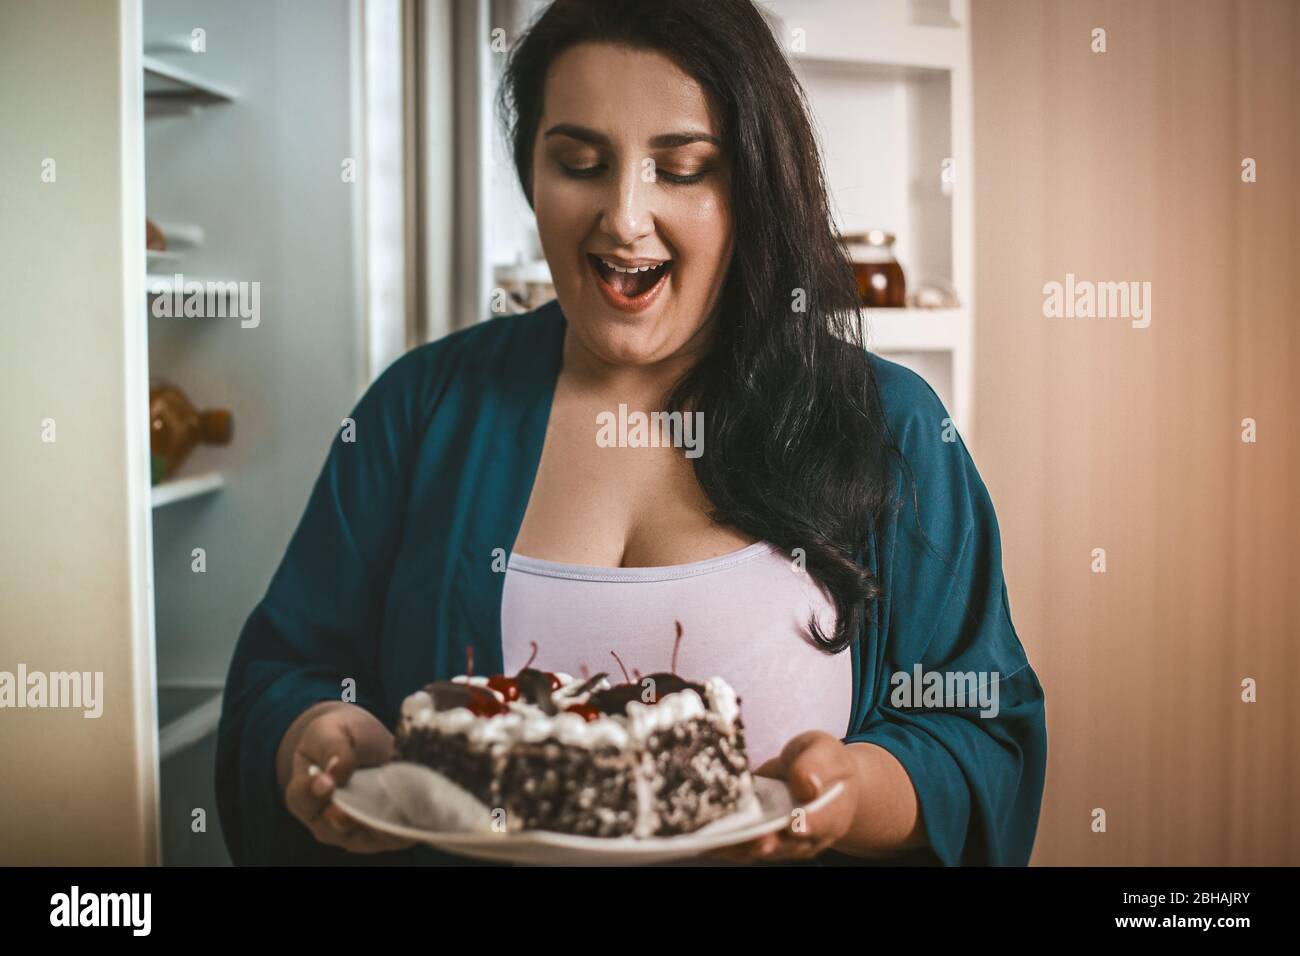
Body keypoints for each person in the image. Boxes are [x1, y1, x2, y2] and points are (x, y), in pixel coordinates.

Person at [215, 0, 1047, 867]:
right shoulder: (420, 409)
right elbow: (283, 675)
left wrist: (852, 793)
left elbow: (983, 735)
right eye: (579, 162)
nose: (623, 216)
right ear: (529, 168)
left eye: (681, 169)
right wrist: (318, 732)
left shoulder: (894, 427)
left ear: (753, 184)